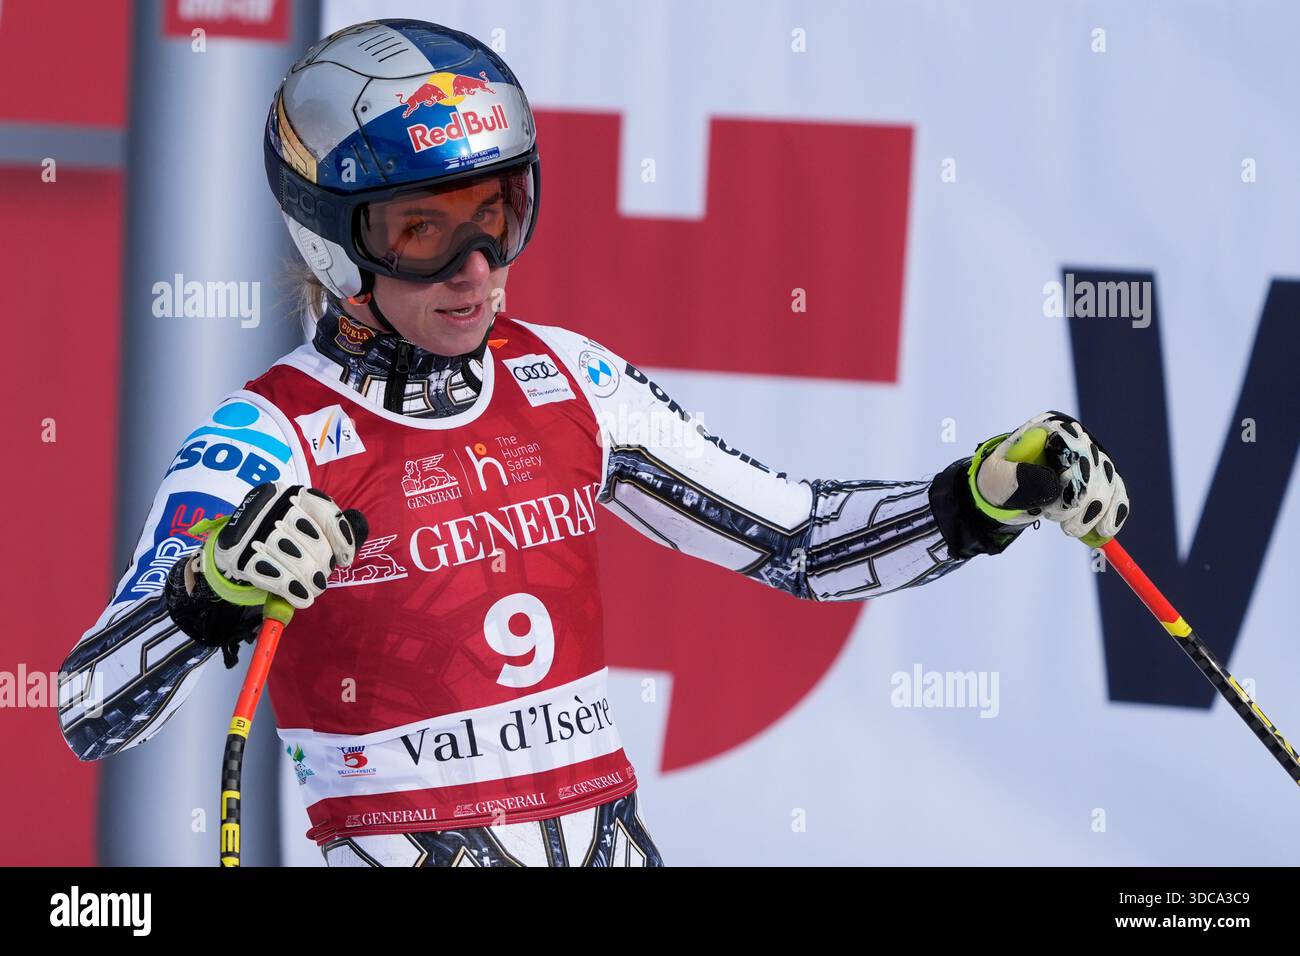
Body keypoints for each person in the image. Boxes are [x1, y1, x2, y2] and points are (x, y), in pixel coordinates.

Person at [57, 19, 1129, 868]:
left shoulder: (569, 375)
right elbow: (89, 708)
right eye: (423, 231)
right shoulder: (265, 435)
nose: (476, 267)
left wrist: (984, 492)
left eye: (500, 210)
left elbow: (799, 541)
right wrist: (210, 588)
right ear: (331, 238)